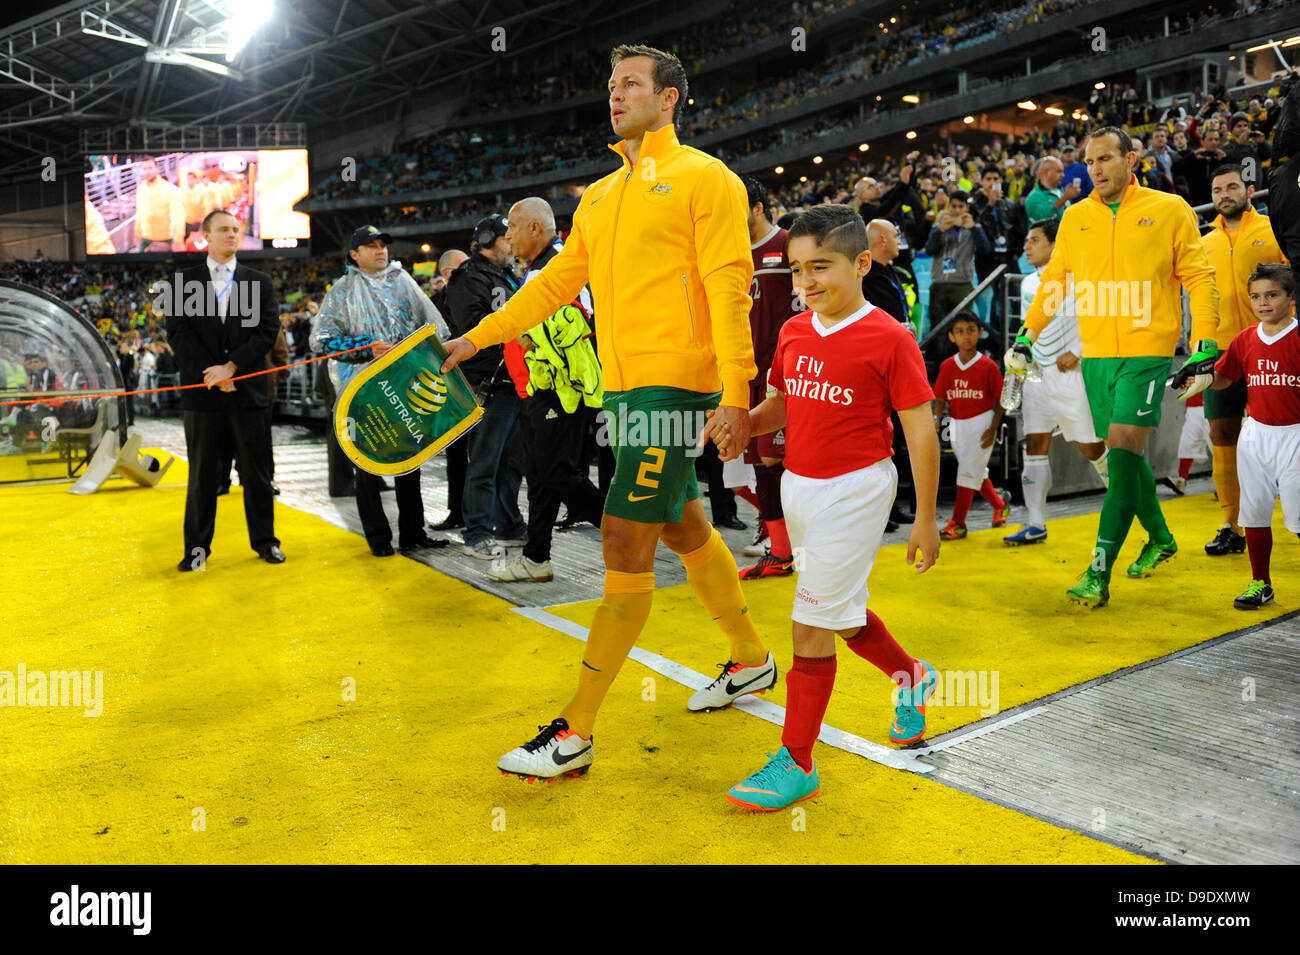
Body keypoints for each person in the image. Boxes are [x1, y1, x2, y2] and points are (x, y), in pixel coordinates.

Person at [441, 43, 775, 780]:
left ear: (670, 99)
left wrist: (736, 393)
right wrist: (476, 335)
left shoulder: (706, 179)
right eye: (612, 84)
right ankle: (752, 660)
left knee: (625, 539)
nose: (616, 96)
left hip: (676, 387)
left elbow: (730, 288)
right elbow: (553, 285)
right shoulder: (598, 196)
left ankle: (577, 730)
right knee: (685, 521)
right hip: (623, 393)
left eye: (631, 84)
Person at [710, 205, 940, 811]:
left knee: (809, 623)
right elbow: (782, 405)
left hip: (857, 489)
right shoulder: (792, 331)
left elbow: (919, 430)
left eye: (821, 267)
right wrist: (744, 425)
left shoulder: (891, 336)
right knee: (839, 612)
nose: (807, 282)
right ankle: (911, 676)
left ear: (862, 263)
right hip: (799, 485)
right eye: (797, 270)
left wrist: (924, 518)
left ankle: (798, 759)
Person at [1010, 127, 1219, 607]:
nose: (1096, 169)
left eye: (1106, 158)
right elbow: (1055, 282)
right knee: (1127, 458)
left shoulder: (1170, 209)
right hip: (1097, 358)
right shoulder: (1076, 217)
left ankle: (1098, 570)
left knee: (1122, 448)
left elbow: (1198, 278)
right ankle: (1162, 538)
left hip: (1148, 352)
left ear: (1132, 159)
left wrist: (1204, 343)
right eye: (1090, 161)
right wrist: (1026, 336)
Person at [312, 225, 451, 557]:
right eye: (371, 246)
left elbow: (434, 328)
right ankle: (377, 537)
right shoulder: (342, 291)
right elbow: (322, 342)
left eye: (382, 245)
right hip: (363, 391)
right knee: (367, 464)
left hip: (403, 384)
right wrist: (363, 347)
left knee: (409, 459)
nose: (380, 251)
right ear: (355, 255)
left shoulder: (404, 283)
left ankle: (413, 533)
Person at [487, 197, 605, 582]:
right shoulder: (548, 265)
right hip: (540, 391)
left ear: (534, 228)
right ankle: (537, 558)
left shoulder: (556, 268)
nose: (508, 235)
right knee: (540, 475)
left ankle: (627, 532)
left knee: (557, 473)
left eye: (513, 227)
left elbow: (574, 329)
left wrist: (531, 340)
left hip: (558, 390)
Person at [166, 209, 283, 571]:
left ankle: (266, 542)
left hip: (247, 391)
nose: (232, 235)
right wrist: (214, 374)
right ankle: (196, 551)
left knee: (257, 474)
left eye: (236, 230)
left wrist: (232, 368)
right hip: (203, 395)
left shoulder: (258, 281)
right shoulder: (181, 283)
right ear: (206, 235)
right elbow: (178, 335)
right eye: (224, 230)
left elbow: (266, 331)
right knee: (201, 475)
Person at [1199, 164, 1289, 555]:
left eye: (1232, 186)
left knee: (1290, 428)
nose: (1224, 194)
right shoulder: (1205, 242)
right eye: (1218, 189)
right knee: (1221, 434)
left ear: (1248, 190)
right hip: (1222, 348)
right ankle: (1230, 524)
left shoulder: (1272, 229)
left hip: (1272, 344)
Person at [1003, 218, 1110, 545]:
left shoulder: (1080, 275)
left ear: (1055, 243)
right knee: (1034, 446)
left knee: (1091, 447)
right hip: (1038, 377)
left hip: (1071, 375)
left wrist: (1078, 351)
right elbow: (1028, 326)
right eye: (1027, 240)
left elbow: (1100, 314)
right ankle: (1036, 524)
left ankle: (1128, 504)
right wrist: (1019, 363)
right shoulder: (1026, 284)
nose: (1027, 247)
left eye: (1035, 240)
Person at [1199, 265, 1299, 610]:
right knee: (1254, 514)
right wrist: (1200, 378)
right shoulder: (1245, 337)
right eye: (1256, 296)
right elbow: (1225, 376)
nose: (1263, 303)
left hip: (1295, 435)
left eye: (1272, 295)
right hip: (1256, 435)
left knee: (1298, 517)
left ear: (1291, 298)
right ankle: (1262, 583)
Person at [444, 214, 528, 559]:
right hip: (486, 382)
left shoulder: (508, 274)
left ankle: (508, 525)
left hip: (513, 380)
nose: (512, 242)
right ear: (489, 240)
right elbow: (472, 327)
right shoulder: (467, 277)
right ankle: (476, 532)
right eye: (506, 237)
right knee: (484, 461)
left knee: (511, 462)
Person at [735, 175, 800, 579]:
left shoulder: (789, 245)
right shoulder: (733, 253)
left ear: (758, 207)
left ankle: (799, 546)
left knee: (783, 459)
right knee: (760, 465)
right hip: (748, 374)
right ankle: (780, 551)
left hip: (787, 374)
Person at [932, 312, 1008, 540]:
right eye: (960, 332)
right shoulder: (947, 366)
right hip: (955, 424)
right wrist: (937, 420)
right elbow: (941, 398)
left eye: (971, 330)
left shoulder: (988, 366)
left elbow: (1000, 399)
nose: (966, 336)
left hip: (982, 422)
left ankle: (959, 523)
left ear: (980, 333)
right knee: (973, 471)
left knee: (965, 471)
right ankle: (1000, 505)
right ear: (952, 337)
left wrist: (993, 428)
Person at [430, 249, 470, 531]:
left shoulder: (474, 295)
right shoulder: (433, 305)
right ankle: (457, 511)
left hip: (480, 384)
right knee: (457, 455)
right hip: (451, 388)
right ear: (446, 274)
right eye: (463, 267)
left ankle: (482, 514)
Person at [924, 190, 990, 326]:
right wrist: (939, 231)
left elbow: (985, 250)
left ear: (967, 208)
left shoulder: (974, 228)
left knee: (963, 325)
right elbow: (929, 250)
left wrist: (974, 229)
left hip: (962, 283)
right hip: (939, 283)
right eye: (953, 206)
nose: (957, 210)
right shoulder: (939, 227)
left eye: (961, 206)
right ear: (949, 207)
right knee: (938, 328)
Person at [132, 157, 185, 253]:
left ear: (157, 169)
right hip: (145, 238)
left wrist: (178, 240)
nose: (147, 171)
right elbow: (139, 213)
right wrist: (136, 234)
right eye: (144, 169)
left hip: (165, 239)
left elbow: (179, 215)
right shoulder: (141, 188)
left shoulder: (170, 189)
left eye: (150, 168)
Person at [1023, 156, 1080, 224]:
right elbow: (1044, 217)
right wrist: (1065, 198)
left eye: (1063, 171)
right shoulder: (1034, 197)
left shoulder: (1061, 192)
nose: (1063, 175)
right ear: (1047, 173)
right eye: (1059, 172)